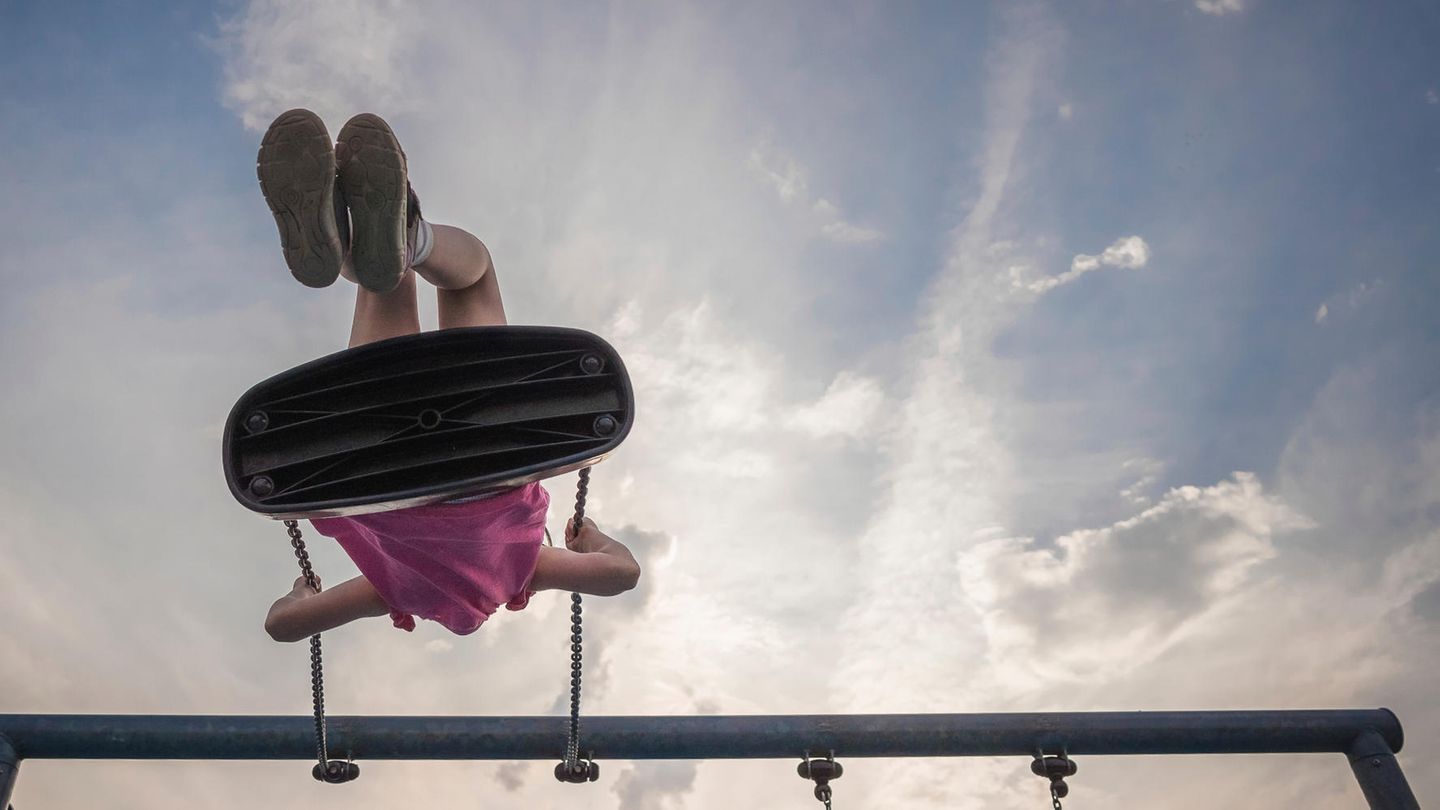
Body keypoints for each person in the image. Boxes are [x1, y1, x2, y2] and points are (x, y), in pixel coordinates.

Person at [255, 109, 640, 643]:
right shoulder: (393, 592)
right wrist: (302, 594)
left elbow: (622, 574)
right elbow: (283, 626)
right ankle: (349, 247)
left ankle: (414, 240)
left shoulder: (523, 573)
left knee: (471, 277)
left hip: (493, 447)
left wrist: (590, 538)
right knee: (384, 286)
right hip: (380, 463)